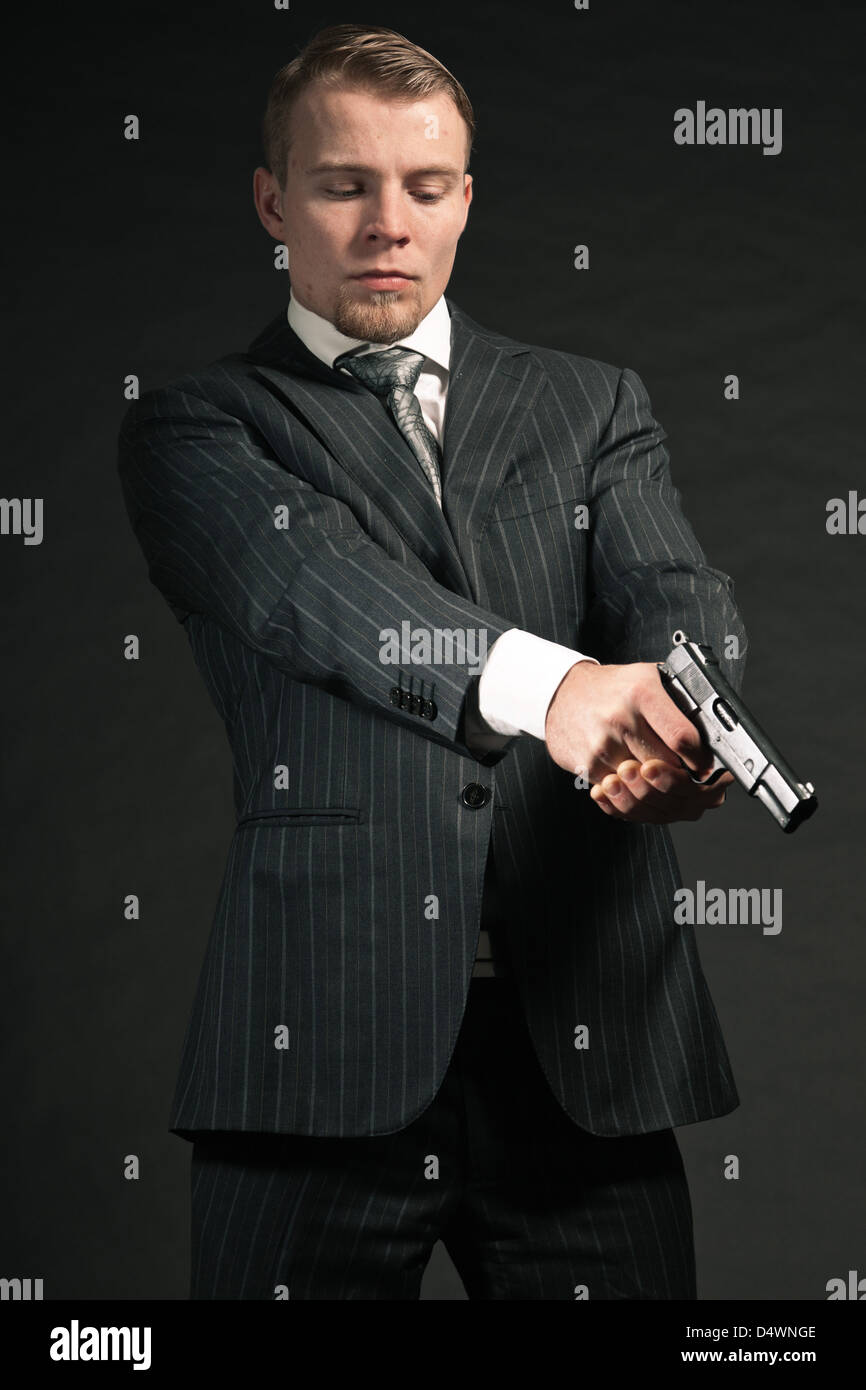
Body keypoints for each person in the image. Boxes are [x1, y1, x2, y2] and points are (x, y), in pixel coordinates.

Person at [117, 23, 746, 1300]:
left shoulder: (590, 403)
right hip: (313, 1053)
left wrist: (690, 716)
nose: (385, 224)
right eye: (344, 184)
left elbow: (676, 598)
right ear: (272, 202)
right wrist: (563, 690)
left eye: (423, 186)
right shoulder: (196, 426)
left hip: (586, 1041)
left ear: (465, 200)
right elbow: (315, 587)